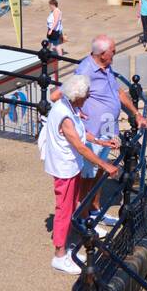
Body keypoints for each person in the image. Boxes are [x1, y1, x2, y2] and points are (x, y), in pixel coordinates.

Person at [39, 73, 120, 275]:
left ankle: (64, 249)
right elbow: (81, 146)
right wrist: (105, 165)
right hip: (64, 168)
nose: (88, 99)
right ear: (78, 96)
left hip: (69, 166)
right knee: (64, 210)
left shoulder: (69, 107)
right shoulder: (65, 114)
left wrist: (101, 142)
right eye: (86, 95)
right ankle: (59, 255)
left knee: (69, 205)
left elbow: (82, 132)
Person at [76, 35, 147, 224]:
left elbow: (118, 92)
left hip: (107, 128)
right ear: (101, 54)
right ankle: (83, 219)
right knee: (87, 175)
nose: (114, 54)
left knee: (100, 171)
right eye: (112, 52)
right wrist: (77, 113)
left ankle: (95, 209)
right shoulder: (85, 70)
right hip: (93, 130)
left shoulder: (106, 67)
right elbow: (72, 94)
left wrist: (136, 114)